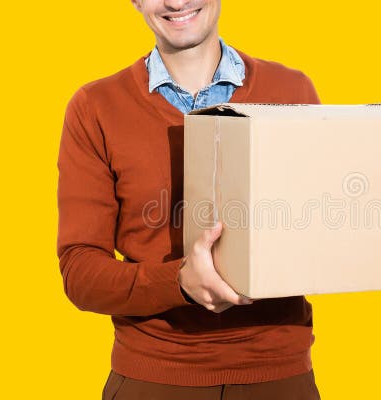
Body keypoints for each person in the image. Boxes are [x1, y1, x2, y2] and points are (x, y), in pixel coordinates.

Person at [56, 0, 321, 398]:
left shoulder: (291, 92)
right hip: (154, 376)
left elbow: (321, 234)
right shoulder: (95, 107)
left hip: (278, 375)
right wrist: (178, 281)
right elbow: (80, 272)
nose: (176, 2)